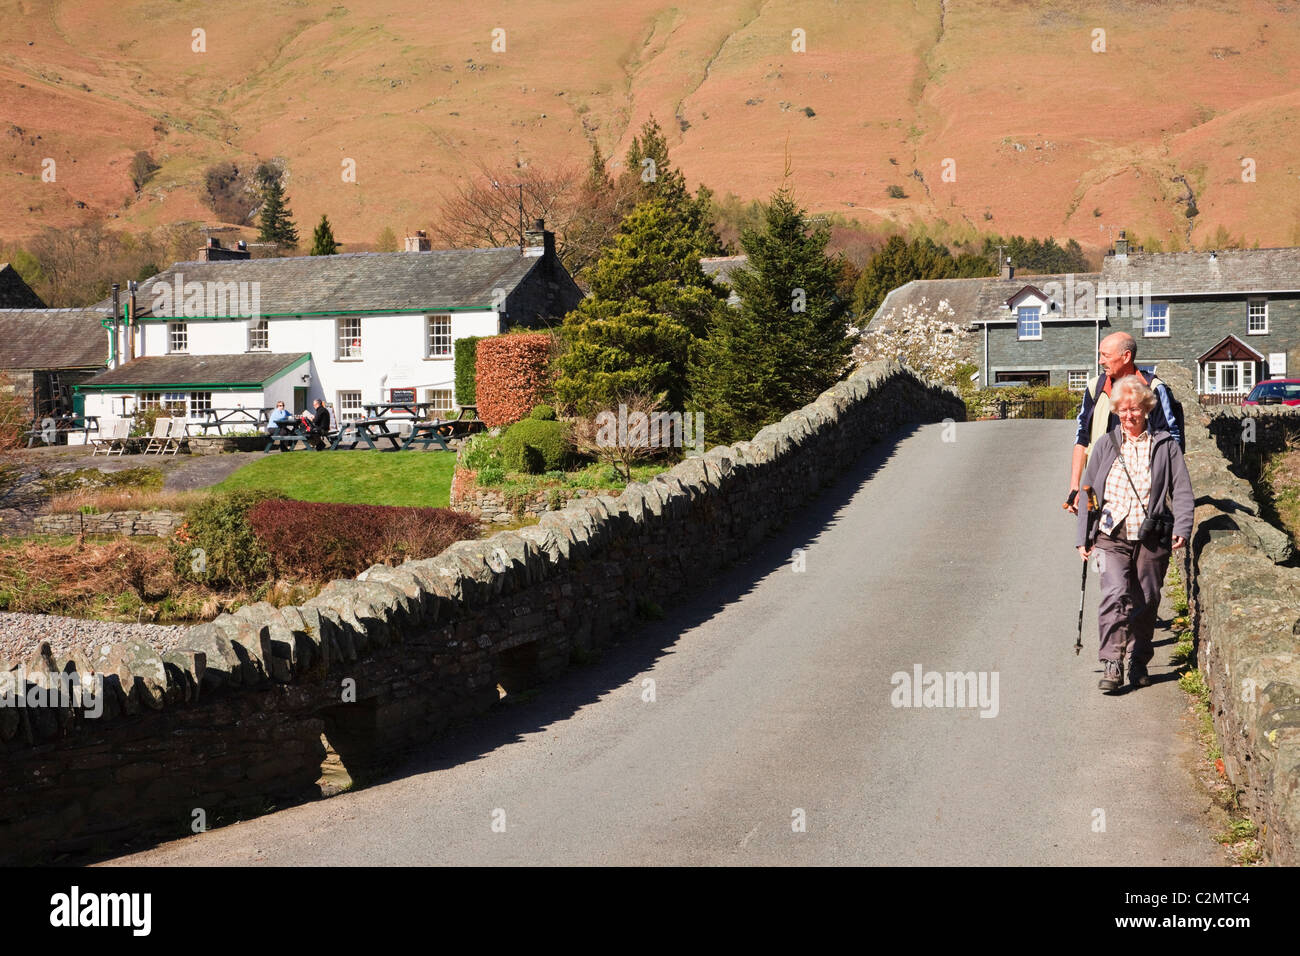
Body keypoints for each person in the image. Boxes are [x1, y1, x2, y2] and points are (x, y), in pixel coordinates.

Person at [1076, 375, 1194, 692]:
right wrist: (1083, 536)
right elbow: (1087, 492)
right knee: (1115, 596)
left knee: (1147, 601)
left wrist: (1182, 525)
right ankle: (1111, 663)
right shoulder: (1104, 445)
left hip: (1151, 535)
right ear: (1116, 411)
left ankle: (1138, 659)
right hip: (1110, 536)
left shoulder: (1166, 446)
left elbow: (1181, 490)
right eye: (1125, 410)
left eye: (1136, 409)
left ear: (1146, 410)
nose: (1130, 415)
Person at [1065, 332, 1182, 514]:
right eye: (1100, 354)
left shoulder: (1153, 389)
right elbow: (1082, 438)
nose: (1100, 361)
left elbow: (1172, 443)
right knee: (1091, 540)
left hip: (1142, 495)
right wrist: (1075, 486)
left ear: (1126, 356)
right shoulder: (1094, 387)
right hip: (1098, 488)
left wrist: (1166, 493)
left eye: (1106, 355)